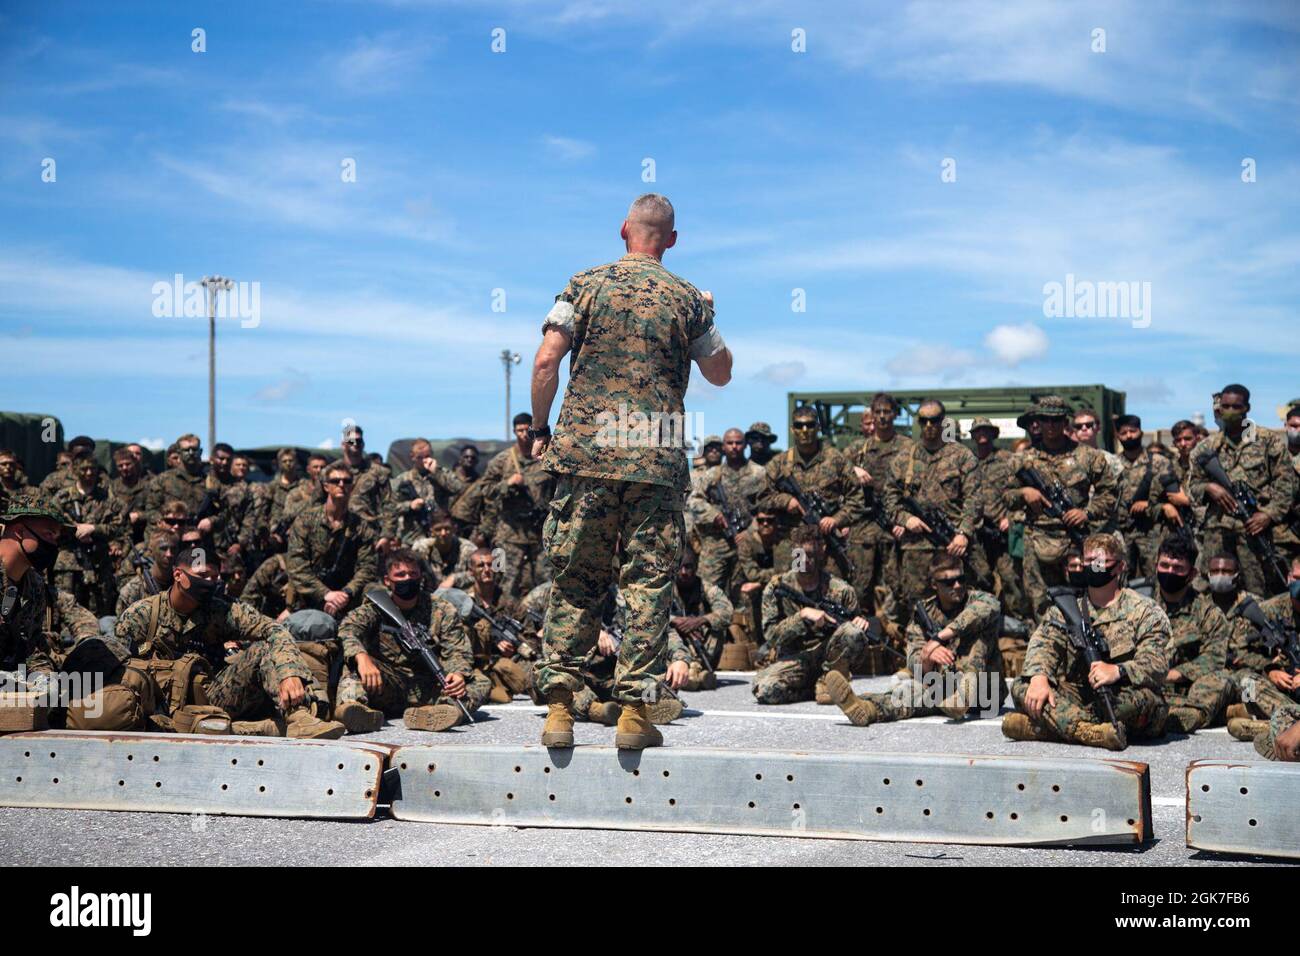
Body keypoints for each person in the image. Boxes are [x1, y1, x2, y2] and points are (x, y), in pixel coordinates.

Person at [529, 192, 732, 750]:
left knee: (576, 580)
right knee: (647, 585)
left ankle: (559, 712)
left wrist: (542, 429)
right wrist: (708, 317)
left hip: (586, 456)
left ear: (624, 230)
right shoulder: (688, 298)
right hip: (656, 460)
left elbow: (547, 359)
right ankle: (634, 717)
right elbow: (721, 374)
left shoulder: (585, 284)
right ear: (672, 239)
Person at [109, 546, 345, 738]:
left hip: (211, 696)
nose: (210, 583)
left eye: (215, 577)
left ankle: (299, 718)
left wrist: (288, 672)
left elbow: (273, 629)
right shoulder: (142, 615)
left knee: (262, 649)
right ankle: (266, 728)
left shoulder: (222, 610)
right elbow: (114, 663)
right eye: (202, 577)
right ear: (178, 575)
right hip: (160, 708)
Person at [1004, 532, 1169, 750]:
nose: (1093, 567)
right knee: (1022, 686)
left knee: (1147, 701)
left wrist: (1118, 671)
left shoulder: (1145, 610)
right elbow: (1044, 645)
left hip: (1122, 693)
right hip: (1080, 693)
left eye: (1100, 562)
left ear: (1119, 567)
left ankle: (1050, 727)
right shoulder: (1066, 609)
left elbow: (1158, 663)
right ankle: (1089, 732)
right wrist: (1039, 677)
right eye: (1088, 561)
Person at [824, 553, 1003, 726]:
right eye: (949, 582)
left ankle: (964, 690)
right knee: (908, 694)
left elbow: (990, 607)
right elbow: (915, 662)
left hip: (986, 692)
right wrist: (928, 656)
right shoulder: (924, 613)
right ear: (934, 584)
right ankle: (866, 708)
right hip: (946, 692)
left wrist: (940, 637)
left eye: (961, 579)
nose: (957, 585)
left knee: (979, 629)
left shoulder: (978, 600)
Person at [334, 547, 487, 734]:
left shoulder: (441, 609)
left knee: (480, 680)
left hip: (432, 687)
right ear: (387, 581)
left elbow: (457, 649)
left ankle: (444, 711)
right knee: (354, 665)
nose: (408, 578)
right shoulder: (375, 608)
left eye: (413, 573)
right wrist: (361, 656)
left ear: (421, 577)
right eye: (400, 574)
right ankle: (355, 709)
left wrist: (458, 675)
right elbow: (348, 628)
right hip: (387, 684)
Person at [1005, 396, 1117, 622]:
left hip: (1081, 539)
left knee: (1091, 600)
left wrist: (1087, 512)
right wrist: (1024, 494)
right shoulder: (1023, 460)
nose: (1051, 426)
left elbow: (1111, 494)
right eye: (1045, 420)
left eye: (1056, 420)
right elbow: (1006, 497)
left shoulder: (1089, 457)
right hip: (1037, 540)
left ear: (1065, 422)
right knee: (1041, 605)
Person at [1189, 383, 1295, 595]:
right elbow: (1193, 486)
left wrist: (1268, 514)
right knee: (1212, 589)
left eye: (1235, 407)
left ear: (1247, 408)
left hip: (1254, 531)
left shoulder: (1267, 441)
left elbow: (1287, 485)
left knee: (1257, 589)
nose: (1229, 412)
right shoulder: (1207, 447)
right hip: (1217, 531)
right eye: (1225, 407)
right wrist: (1210, 488)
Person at [883, 398, 980, 620]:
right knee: (916, 607)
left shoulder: (961, 457)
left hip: (953, 546)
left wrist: (963, 533)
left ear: (942, 421)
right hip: (915, 550)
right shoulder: (903, 460)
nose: (929, 426)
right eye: (924, 421)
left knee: (959, 605)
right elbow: (889, 499)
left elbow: (974, 499)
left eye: (934, 420)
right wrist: (905, 519)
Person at [753, 524, 870, 704]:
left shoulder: (841, 590)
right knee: (765, 690)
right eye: (800, 554)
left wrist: (859, 624)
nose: (805, 560)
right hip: (795, 658)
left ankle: (829, 679)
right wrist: (801, 618)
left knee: (853, 633)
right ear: (793, 552)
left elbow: (854, 634)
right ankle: (810, 690)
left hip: (829, 656)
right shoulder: (776, 588)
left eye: (811, 555)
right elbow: (770, 636)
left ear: (821, 553)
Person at [758, 403, 863, 582]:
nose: (804, 430)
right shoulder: (779, 463)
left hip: (826, 543)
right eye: (799, 426)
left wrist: (836, 519)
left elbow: (857, 499)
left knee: (830, 592)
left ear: (818, 428)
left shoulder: (836, 460)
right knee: (795, 591)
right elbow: (762, 498)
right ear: (792, 429)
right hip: (793, 543)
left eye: (810, 425)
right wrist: (785, 501)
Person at [1152, 535, 1232, 733]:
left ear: (1192, 573)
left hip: (1189, 693)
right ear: (1155, 566)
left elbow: (1214, 658)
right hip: (1148, 686)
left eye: (1178, 568)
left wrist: (1174, 675)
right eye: (1165, 565)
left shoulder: (1208, 612)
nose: (1170, 572)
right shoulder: (1138, 603)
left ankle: (1187, 717)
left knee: (1222, 679)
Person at [844, 392, 913, 618]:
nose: (882, 417)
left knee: (899, 587)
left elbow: (920, 486)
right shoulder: (858, 450)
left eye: (887, 412)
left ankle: (899, 636)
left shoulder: (907, 447)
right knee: (860, 587)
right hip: (863, 528)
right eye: (878, 412)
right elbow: (834, 466)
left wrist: (905, 519)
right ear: (872, 416)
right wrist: (853, 469)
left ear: (895, 414)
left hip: (893, 527)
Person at [285, 461, 377, 618]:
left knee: (377, 591)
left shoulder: (360, 526)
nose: (341, 484)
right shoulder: (305, 521)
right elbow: (296, 566)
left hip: (346, 596)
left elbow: (367, 567)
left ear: (352, 486)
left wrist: (346, 593)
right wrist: (326, 594)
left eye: (347, 481)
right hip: (310, 595)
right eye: (335, 481)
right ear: (326, 486)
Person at [477, 413, 553, 599]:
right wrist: (507, 484)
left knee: (547, 581)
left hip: (539, 533)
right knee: (502, 580)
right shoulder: (503, 460)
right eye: (519, 430)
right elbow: (484, 489)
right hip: (508, 534)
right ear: (514, 431)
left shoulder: (546, 458)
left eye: (527, 430)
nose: (523, 434)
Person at [688, 427, 765, 593]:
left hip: (748, 544)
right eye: (730, 443)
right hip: (716, 544)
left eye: (738, 443)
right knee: (709, 592)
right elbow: (693, 500)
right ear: (723, 447)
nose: (734, 447)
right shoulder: (712, 475)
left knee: (745, 593)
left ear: (745, 445)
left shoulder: (758, 473)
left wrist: (751, 531)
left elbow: (768, 506)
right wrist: (713, 515)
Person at [1110, 415, 1182, 581]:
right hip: (1121, 532)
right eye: (1124, 432)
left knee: (1156, 577)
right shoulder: (1112, 464)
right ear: (1118, 436)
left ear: (1141, 433)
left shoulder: (1159, 462)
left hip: (1151, 531)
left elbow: (1173, 496)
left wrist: (1150, 504)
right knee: (1119, 578)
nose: (1129, 435)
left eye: (1133, 431)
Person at [53, 457, 127, 617]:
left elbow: (119, 526)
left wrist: (94, 529)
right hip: (69, 563)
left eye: (93, 469)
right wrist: (76, 531)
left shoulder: (107, 498)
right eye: (84, 469)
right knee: (65, 611)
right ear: (75, 470)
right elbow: (52, 523)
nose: (89, 473)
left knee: (99, 613)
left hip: (99, 562)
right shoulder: (63, 497)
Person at [464, 546, 536, 703]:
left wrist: (516, 648)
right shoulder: (464, 603)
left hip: (512, 661)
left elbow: (531, 637)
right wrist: (494, 644)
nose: (487, 569)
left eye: (491, 565)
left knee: (538, 678)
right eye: (481, 565)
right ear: (471, 571)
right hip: (476, 663)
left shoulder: (510, 603)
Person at [665, 546, 733, 690]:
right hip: (675, 646)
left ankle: (696, 670)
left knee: (718, 627)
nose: (684, 572)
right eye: (680, 567)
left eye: (688, 567)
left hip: (701, 646)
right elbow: (652, 614)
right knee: (664, 629)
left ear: (696, 568)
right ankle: (689, 673)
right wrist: (674, 621)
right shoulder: (665, 589)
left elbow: (727, 612)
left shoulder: (707, 588)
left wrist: (700, 621)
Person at [387, 438, 466, 546]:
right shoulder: (402, 479)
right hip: (412, 537)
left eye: (428, 456)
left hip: (440, 535)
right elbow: (390, 507)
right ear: (412, 457)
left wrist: (436, 473)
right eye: (420, 457)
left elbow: (458, 488)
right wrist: (409, 505)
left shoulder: (442, 474)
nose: (425, 461)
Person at [340, 425, 392, 553]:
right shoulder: (331, 473)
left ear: (363, 444)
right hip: (339, 536)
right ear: (343, 444)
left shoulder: (379, 473)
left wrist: (386, 535)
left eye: (359, 441)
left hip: (370, 537)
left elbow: (389, 505)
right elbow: (317, 504)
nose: (355, 444)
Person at [108, 447, 151, 545]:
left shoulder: (147, 487)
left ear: (135, 464)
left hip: (142, 537)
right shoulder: (112, 488)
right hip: (119, 537)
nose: (124, 468)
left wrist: (139, 516)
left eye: (128, 464)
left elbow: (156, 512)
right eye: (120, 466)